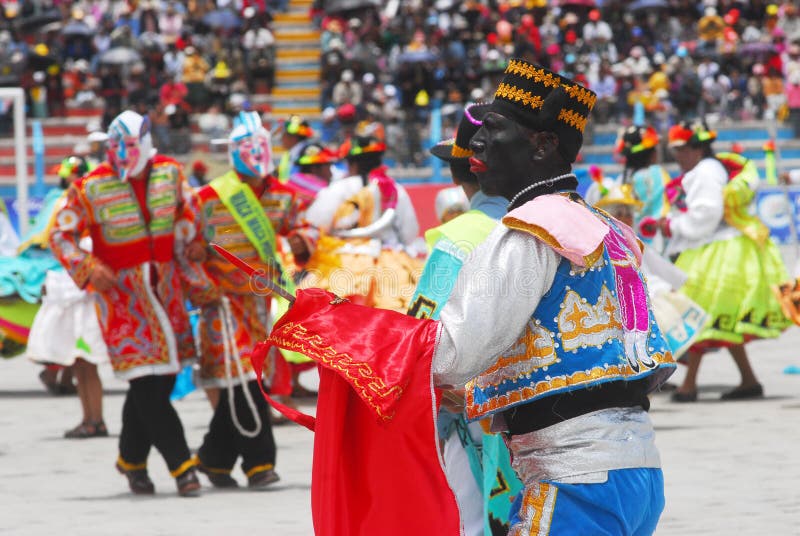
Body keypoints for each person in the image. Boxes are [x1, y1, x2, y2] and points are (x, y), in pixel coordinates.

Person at [264, 59, 676, 535]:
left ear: (543, 144)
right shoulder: (610, 228)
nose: (476, 142)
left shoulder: (527, 231)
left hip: (572, 476)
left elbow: (451, 355)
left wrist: (344, 329)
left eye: (494, 128)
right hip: (636, 468)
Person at [49, 110, 202, 497]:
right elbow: (60, 235)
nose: (122, 153)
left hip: (167, 291)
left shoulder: (171, 174)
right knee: (144, 380)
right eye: (116, 145)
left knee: (161, 379)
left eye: (130, 145)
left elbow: (191, 217)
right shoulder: (90, 186)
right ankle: (182, 467)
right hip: (122, 298)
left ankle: (131, 460)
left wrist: (195, 246)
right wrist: (87, 266)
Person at [183, 111, 317, 489]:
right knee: (241, 378)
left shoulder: (285, 197)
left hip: (262, 305)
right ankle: (260, 463)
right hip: (221, 303)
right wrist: (201, 282)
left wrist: (300, 241)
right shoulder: (208, 199)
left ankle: (214, 459)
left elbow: (306, 230)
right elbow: (187, 248)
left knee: (248, 379)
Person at [410, 102, 521, 536]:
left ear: (459, 177)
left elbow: (423, 330)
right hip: (539, 403)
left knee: (474, 520)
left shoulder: (455, 238)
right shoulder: (539, 224)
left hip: (473, 408)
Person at [645, 121, 790, 402]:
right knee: (719, 316)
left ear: (697, 149)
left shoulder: (705, 172)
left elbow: (705, 215)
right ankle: (749, 380)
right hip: (724, 247)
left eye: (681, 149)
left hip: (716, 250)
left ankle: (689, 385)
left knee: (697, 312)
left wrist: (669, 225)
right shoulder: (711, 168)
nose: (677, 156)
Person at [27, 155, 110, 438]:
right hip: (69, 287)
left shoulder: (85, 204)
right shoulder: (64, 202)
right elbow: (56, 241)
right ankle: (89, 418)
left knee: (86, 360)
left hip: (83, 292)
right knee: (79, 362)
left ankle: (95, 419)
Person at [277, 115, 314, 183]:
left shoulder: (309, 155)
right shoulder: (288, 154)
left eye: (283, 134)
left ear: (293, 136)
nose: (281, 139)